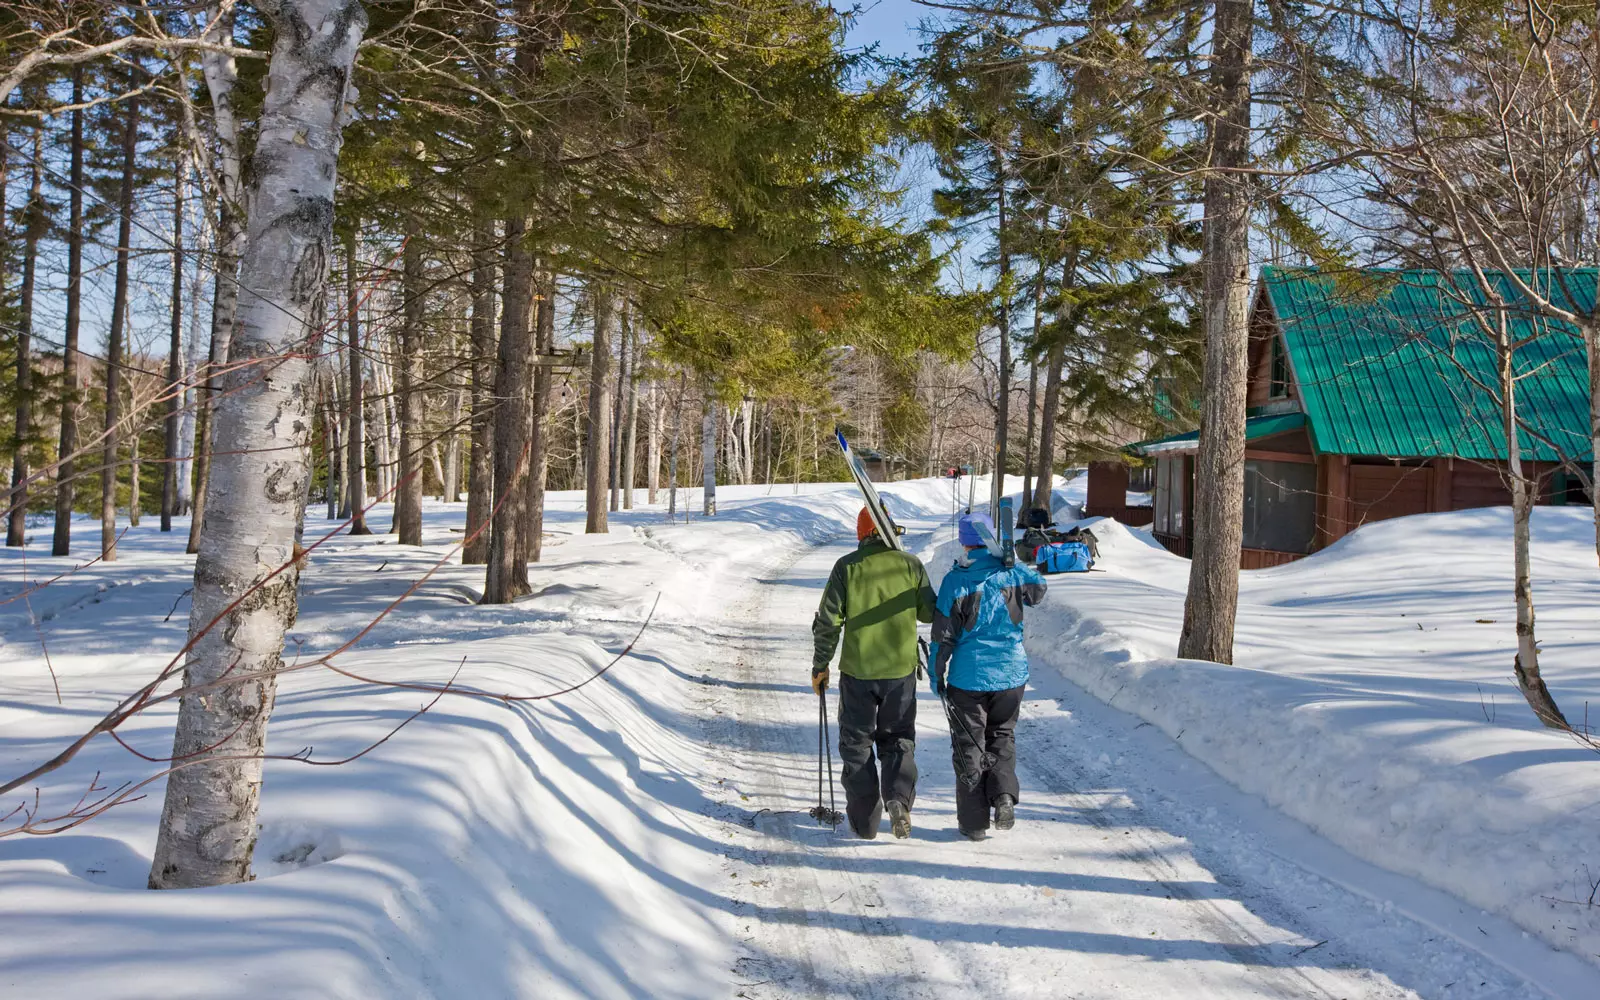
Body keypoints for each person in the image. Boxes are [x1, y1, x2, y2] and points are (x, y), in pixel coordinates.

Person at [813, 507, 937, 840]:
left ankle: (866, 823)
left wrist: (820, 664)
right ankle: (897, 798)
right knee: (898, 740)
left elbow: (828, 622)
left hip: (858, 672)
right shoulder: (910, 564)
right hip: (900, 672)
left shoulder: (847, 567)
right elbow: (928, 610)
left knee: (856, 745)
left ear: (862, 534)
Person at [929, 512, 1048, 840]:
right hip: (1012, 676)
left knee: (970, 745)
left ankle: (974, 823)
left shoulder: (957, 580)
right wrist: (1017, 566)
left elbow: (942, 635)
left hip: (968, 680)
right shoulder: (1009, 574)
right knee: (1003, 736)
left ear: (966, 542)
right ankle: (1004, 796)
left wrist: (936, 674)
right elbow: (1039, 590)